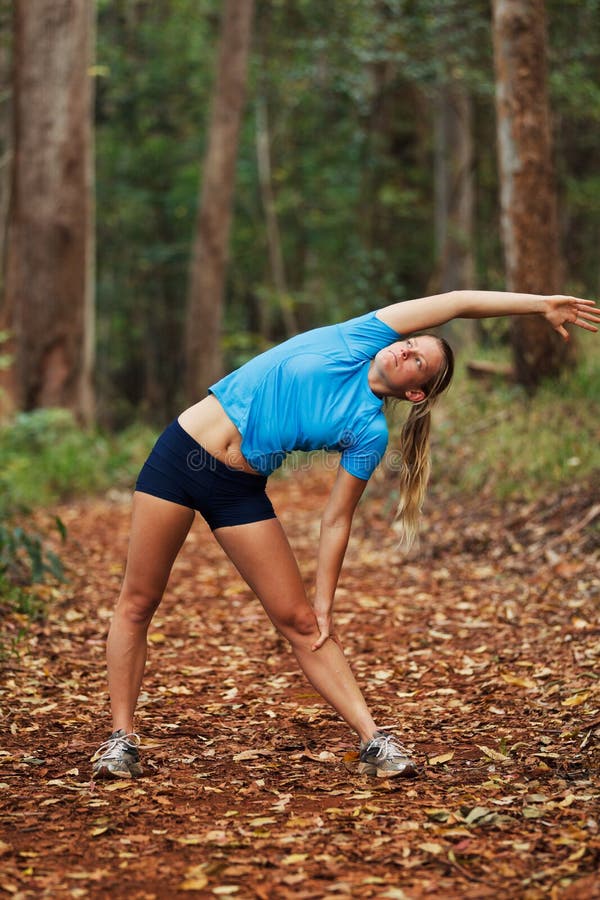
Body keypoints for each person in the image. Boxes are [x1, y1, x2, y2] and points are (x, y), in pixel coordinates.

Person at [91, 290, 599, 779]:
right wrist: (538, 305)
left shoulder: (368, 431)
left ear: (415, 391)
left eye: (419, 360)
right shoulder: (359, 336)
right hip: (181, 455)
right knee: (138, 601)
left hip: (237, 491)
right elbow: (458, 303)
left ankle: (373, 738)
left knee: (302, 622)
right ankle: (121, 738)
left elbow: (337, 518)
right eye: (412, 342)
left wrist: (325, 599)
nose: (407, 349)